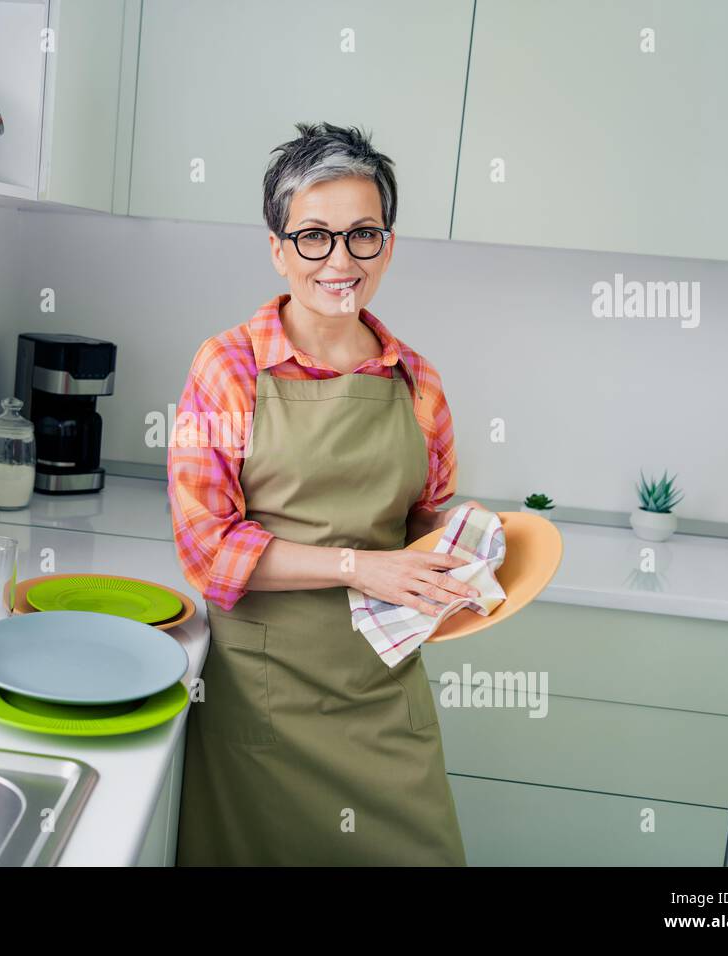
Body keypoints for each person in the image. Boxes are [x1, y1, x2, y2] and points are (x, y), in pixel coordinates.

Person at [167, 122, 487, 866]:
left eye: (362, 234)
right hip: (263, 702)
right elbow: (206, 552)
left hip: (383, 697)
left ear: (388, 245)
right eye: (314, 236)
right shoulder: (228, 368)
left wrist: (470, 549)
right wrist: (359, 566)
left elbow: (427, 521)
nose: (339, 260)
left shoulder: (419, 382)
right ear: (278, 248)